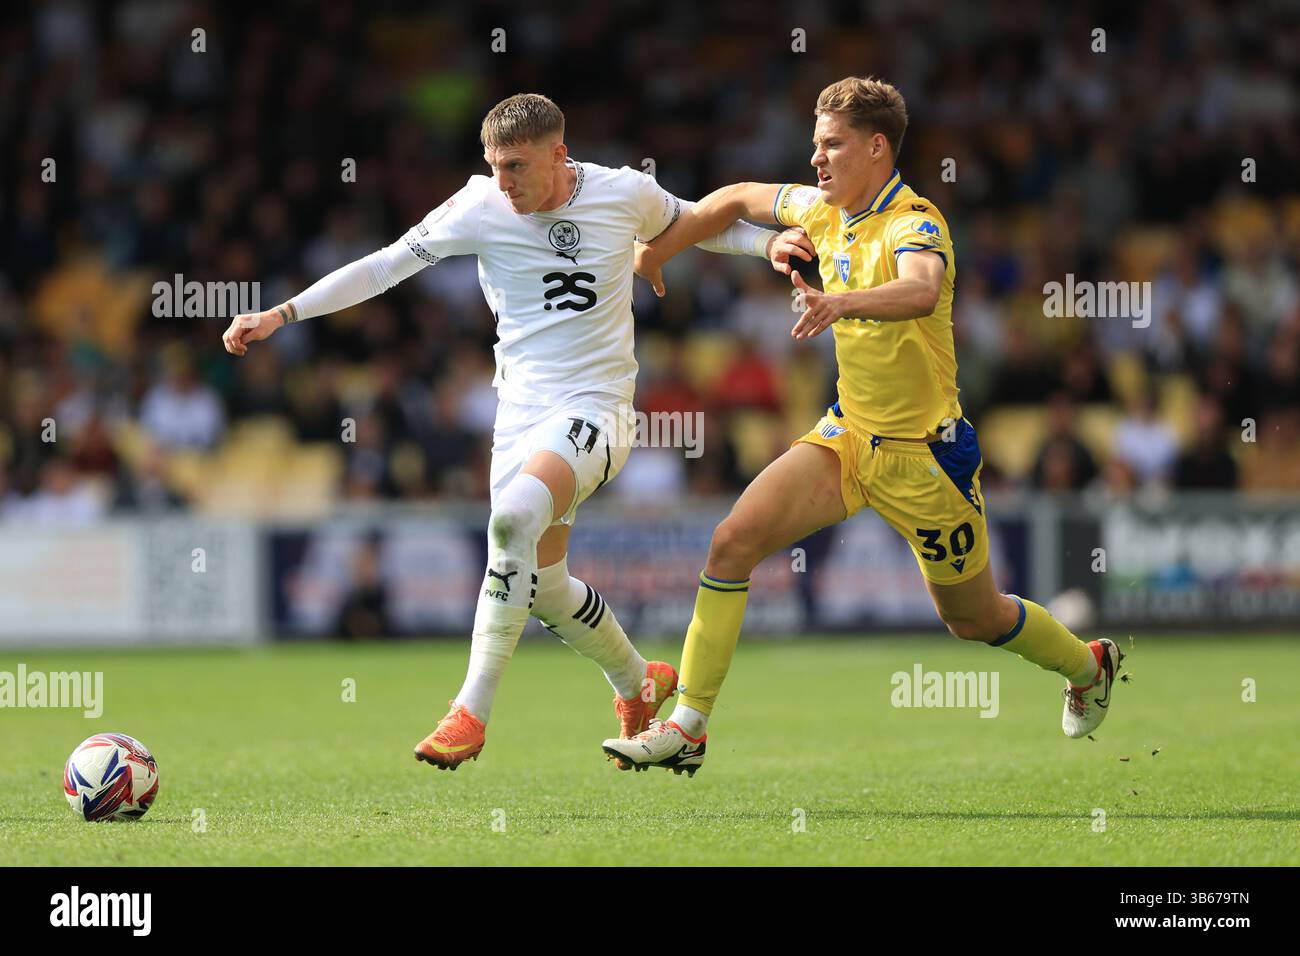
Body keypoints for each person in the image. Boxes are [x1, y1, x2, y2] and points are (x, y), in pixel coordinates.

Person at [222, 93, 814, 770]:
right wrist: (283, 314)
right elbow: (385, 265)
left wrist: (767, 242)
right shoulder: (479, 205)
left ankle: (469, 712)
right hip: (521, 416)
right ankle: (637, 681)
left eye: (516, 166)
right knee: (544, 585)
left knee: (510, 523)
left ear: (559, 156)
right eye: (494, 166)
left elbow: (699, 223)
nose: (504, 182)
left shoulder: (622, 193)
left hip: (597, 408)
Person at [604, 77, 1123, 775]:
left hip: (926, 460)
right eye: (814, 144)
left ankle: (1087, 666)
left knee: (976, 619)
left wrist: (840, 301)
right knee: (732, 541)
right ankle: (689, 727)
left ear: (876, 148)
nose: (815, 159)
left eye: (831, 145)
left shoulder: (916, 221)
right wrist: (662, 250)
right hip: (848, 438)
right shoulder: (821, 209)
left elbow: (922, 290)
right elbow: (730, 198)